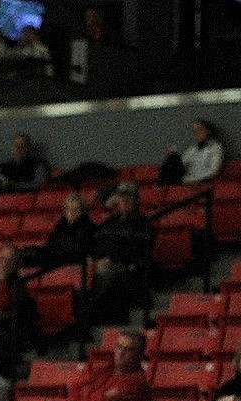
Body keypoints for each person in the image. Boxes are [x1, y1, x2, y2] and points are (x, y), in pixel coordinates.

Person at [59, 329, 152, 401]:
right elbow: (73, 392)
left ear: (140, 355)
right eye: (119, 347)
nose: (120, 353)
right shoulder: (102, 370)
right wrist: (98, 396)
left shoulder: (136, 383)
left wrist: (87, 394)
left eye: (128, 349)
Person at [87, 182, 154, 322]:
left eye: (128, 197)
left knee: (103, 269)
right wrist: (96, 257)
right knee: (84, 267)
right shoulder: (110, 222)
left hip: (130, 269)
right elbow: (96, 244)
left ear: (135, 200)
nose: (124, 201)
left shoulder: (143, 223)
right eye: (121, 197)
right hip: (104, 262)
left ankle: (88, 308)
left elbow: (137, 251)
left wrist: (111, 258)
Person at [31, 192, 97, 269]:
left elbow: (78, 250)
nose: (71, 213)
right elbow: (51, 244)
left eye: (75, 209)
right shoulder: (60, 226)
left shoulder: (89, 228)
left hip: (73, 265)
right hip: (57, 259)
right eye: (68, 209)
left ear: (82, 211)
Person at [162, 119, 224, 184]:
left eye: (200, 130)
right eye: (194, 132)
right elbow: (182, 163)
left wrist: (195, 180)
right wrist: (174, 156)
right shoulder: (192, 149)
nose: (197, 134)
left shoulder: (215, 147)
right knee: (172, 159)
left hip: (202, 182)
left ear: (208, 131)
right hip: (187, 181)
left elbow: (214, 170)